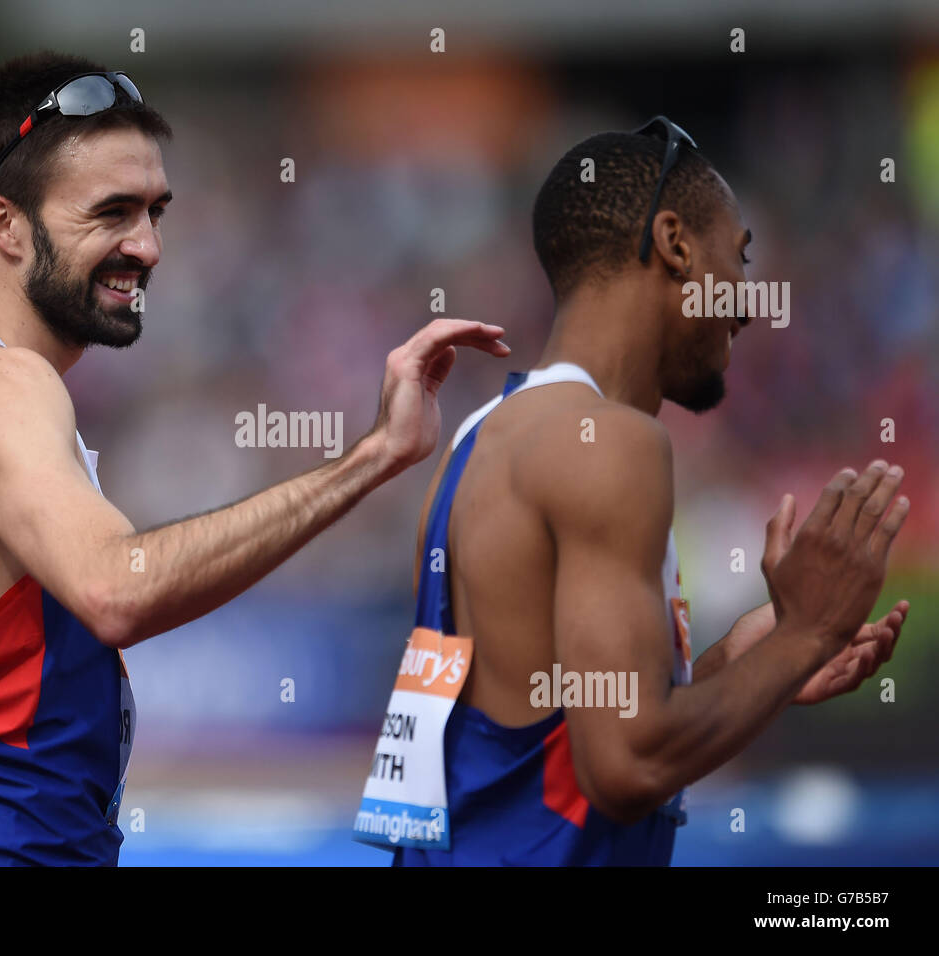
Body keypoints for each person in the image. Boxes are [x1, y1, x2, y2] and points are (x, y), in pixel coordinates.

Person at [0, 51, 508, 865]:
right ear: (4, 222)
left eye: (156, 212)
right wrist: (372, 459)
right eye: (112, 213)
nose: (148, 247)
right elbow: (116, 592)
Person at [363, 118, 908, 866]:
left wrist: (743, 666)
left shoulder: (482, 439)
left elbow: (548, 737)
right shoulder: (610, 445)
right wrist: (804, 635)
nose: (747, 305)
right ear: (677, 243)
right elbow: (626, 766)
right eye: (739, 257)